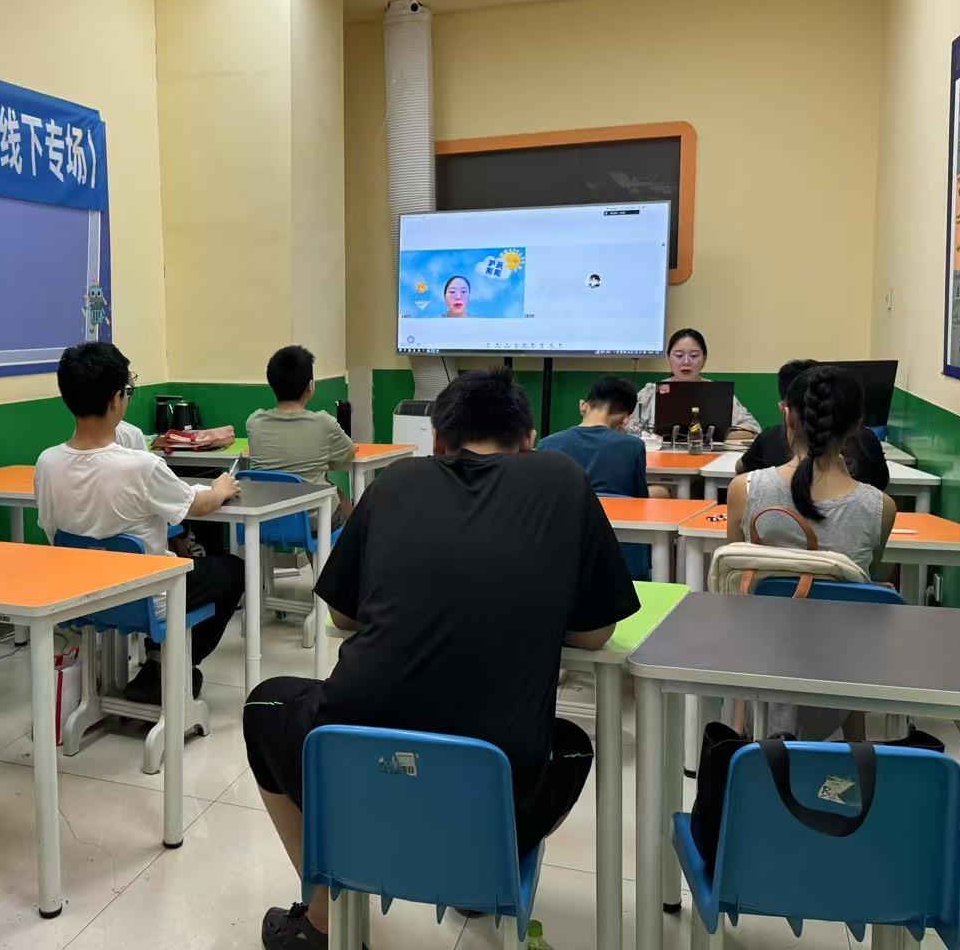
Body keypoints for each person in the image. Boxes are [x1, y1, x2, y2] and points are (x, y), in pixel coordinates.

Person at [244, 368, 640, 949]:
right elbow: (595, 634)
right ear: (529, 439)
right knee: (570, 743)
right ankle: (476, 876)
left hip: (356, 771)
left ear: (437, 441)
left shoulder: (397, 482)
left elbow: (342, 617)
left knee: (266, 705)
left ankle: (322, 920)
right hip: (498, 790)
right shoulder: (563, 479)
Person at [35, 342, 245, 703]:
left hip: (80, 594)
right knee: (231, 569)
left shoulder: (47, 463)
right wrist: (221, 487)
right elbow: (199, 504)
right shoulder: (141, 466)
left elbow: (51, 529)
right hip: (144, 597)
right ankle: (166, 663)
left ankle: (152, 668)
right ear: (116, 398)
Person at [725, 365, 897, 741]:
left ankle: (740, 731)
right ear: (857, 426)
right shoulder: (880, 507)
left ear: (787, 415)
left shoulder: (744, 489)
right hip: (843, 665)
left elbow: (736, 580)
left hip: (761, 657)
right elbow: (864, 578)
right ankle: (852, 747)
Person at [737, 359, 890, 491]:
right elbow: (881, 483)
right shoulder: (866, 439)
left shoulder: (769, 439)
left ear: (786, 412)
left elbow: (742, 469)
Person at [246, 345, 356, 521]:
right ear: (310, 386)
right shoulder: (324, 423)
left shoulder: (254, 422)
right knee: (339, 496)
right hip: (314, 522)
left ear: (272, 384)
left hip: (266, 518)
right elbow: (348, 454)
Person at [537, 375, 668, 499]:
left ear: (583, 406)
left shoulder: (547, 444)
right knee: (662, 491)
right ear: (626, 419)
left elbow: (543, 494)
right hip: (616, 514)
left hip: (566, 513)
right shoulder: (634, 445)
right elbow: (640, 498)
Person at [626, 328, 760, 440]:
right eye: (679, 355)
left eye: (694, 356)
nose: (686, 362)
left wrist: (712, 436)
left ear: (704, 359)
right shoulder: (651, 392)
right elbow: (625, 426)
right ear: (668, 358)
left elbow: (753, 428)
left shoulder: (717, 392)